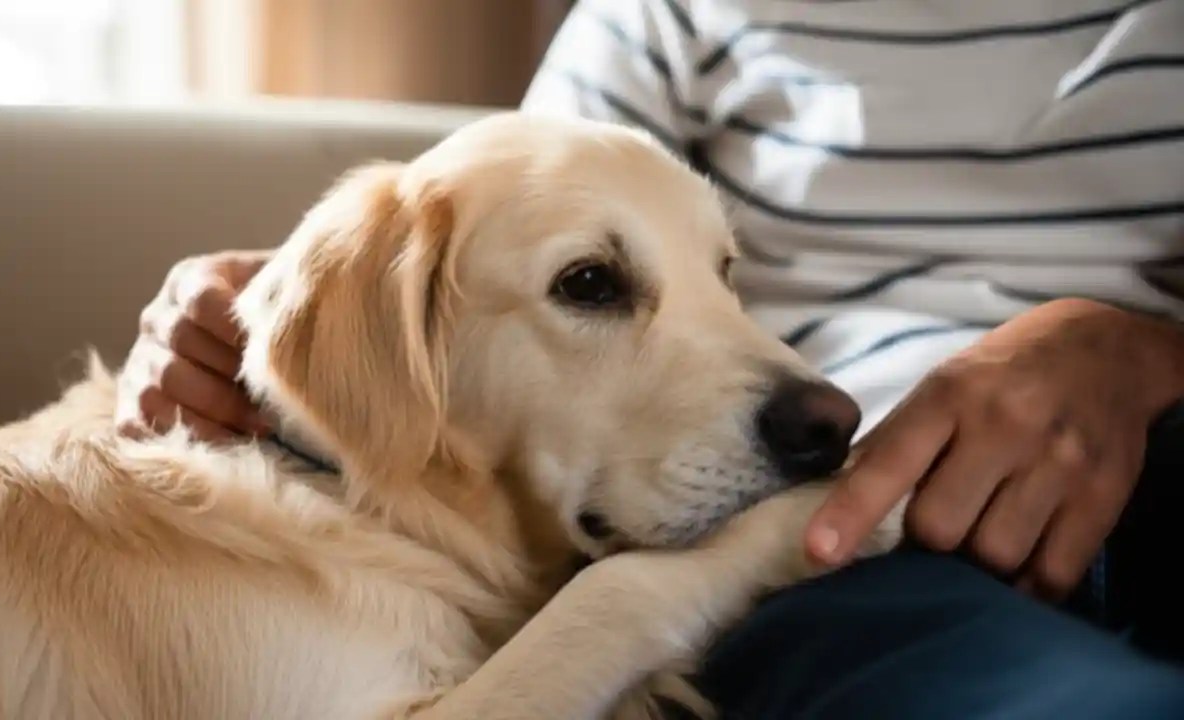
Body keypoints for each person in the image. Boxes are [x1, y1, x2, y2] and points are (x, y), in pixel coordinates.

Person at [115, 1, 1184, 716]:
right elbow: (521, 234)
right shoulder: (670, 11)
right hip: (837, 522)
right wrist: (275, 313)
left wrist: (1147, 352)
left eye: (730, 271)